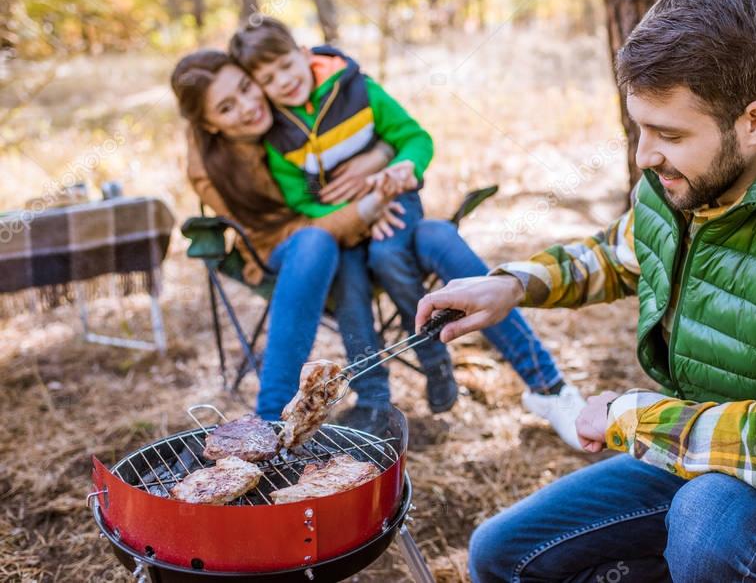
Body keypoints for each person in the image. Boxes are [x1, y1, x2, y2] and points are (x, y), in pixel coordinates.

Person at [416, 0, 756, 582]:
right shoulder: (688, 177)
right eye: (640, 128)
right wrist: (510, 284)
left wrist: (632, 417)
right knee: (503, 553)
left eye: (669, 134)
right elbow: (622, 252)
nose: (643, 155)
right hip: (708, 451)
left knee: (711, 523)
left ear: (755, 121)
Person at [173, 49, 585, 444]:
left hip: (378, 227)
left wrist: (381, 160)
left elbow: (382, 127)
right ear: (208, 125)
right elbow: (294, 225)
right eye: (226, 108)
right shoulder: (215, 166)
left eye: (246, 86)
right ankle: (268, 423)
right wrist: (363, 210)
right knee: (315, 242)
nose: (247, 105)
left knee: (440, 236)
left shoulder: (293, 97)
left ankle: (549, 387)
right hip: (299, 252)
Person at [229, 17, 457, 422]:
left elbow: (415, 137)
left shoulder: (355, 88)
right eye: (267, 78)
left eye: (285, 65)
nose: (282, 81)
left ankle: (434, 357)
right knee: (348, 284)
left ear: (303, 54)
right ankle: (373, 398)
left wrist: (397, 172)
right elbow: (303, 202)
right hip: (345, 228)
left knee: (391, 259)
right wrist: (352, 215)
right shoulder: (278, 133)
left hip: (391, 207)